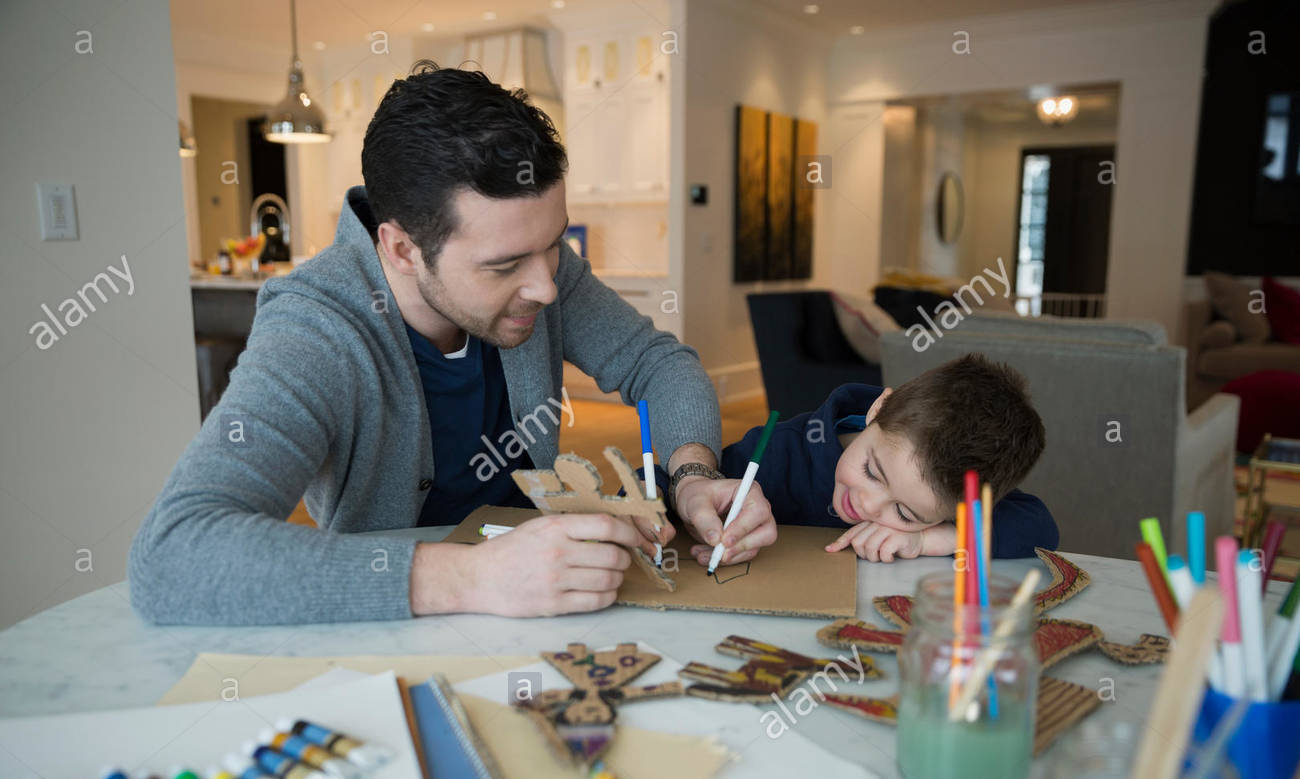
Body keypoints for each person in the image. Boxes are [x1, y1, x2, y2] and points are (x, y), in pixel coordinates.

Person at [128, 63, 775, 625]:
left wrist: (692, 478)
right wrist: (473, 578)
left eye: (555, 245)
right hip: (402, 618)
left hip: (546, 592)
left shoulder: (538, 266)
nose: (546, 288)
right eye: (505, 266)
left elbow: (659, 365)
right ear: (402, 249)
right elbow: (174, 554)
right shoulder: (315, 330)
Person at [720, 354, 1057, 561]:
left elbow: (1039, 527)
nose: (868, 505)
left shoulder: (956, 487)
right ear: (878, 409)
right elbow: (685, 489)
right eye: (871, 471)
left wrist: (928, 539)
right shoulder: (781, 450)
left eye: (904, 513)